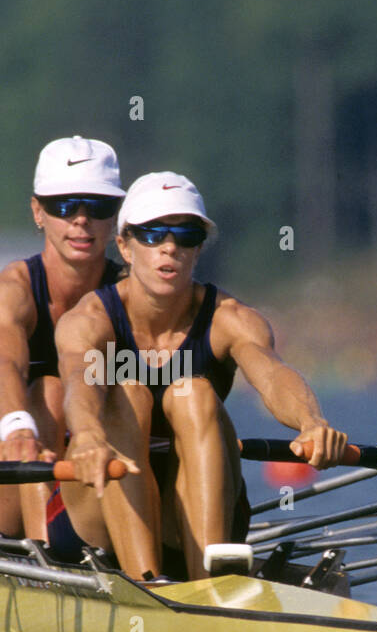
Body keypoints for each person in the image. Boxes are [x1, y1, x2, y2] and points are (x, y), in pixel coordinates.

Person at [55, 171, 348, 581]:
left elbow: (271, 374)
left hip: (190, 523)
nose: (170, 247)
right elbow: (79, 380)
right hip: (100, 517)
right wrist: (86, 433)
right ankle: (147, 582)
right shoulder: (90, 319)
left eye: (186, 235)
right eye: (153, 234)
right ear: (124, 246)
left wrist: (312, 423)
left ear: (199, 249)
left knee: (193, 393)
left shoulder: (231, 319)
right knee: (127, 392)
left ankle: (207, 585)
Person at [0, 136, 126, 555]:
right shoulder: (11, 291)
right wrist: (17, 428)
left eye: (98, 207)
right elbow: (9, 364)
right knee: (47, 390)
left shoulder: (129, 293)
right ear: (38, 212)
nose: (81, 221)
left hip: (84, 487)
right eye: (65, 206)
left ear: (115, 217)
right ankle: (43, 562)